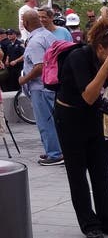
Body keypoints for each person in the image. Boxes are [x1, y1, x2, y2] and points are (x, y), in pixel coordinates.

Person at [52, 20, 108, 238]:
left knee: (101, 171)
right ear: (99, 48)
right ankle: (89, 224)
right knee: (78, 174)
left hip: (96, 117)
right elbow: (88, 96)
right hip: (70, 118)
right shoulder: (78, 57)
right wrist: (105, 69)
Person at [18, 10, 63, 165]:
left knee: (45, 122)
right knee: (53, 120)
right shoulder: (48, 36)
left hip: (40, 87)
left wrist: (24, 79)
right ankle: (55, 149)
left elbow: (39, 67)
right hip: (51, 86)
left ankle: (55, 153)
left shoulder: (36, 41)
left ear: (25, 23)